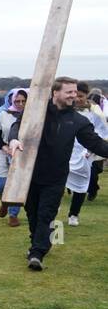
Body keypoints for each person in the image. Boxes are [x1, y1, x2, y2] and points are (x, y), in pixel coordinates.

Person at [7, 77, 108, 270]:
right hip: (30, 174)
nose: (74, 96)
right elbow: (17, 127)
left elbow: (96, 144)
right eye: (69, 92)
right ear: (55, 93)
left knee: (46, 214)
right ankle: (38, 241)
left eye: (75, 92)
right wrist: (13, 140)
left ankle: (37, 253)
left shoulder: (78, 121)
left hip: (56, 177)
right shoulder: (36, 112)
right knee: (33, 214)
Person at [66, 82, 108, 225]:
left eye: (81, 96)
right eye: (75, 95)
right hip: (65, 151)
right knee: (57, 181)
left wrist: (91, 150)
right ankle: (51, 211)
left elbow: (102, 132)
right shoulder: (64, 110)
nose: (77, 99)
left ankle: (74, 214)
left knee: (82, 183)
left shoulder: (94, 112)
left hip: (84, 153)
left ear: (86, 96)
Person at [0, 88, 27, 225]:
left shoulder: (30, 116)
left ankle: (13, 214)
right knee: (1, 185)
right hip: (4, 150)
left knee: (16, 185)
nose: (20, 104)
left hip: (21, 153)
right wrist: (4, 147)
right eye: (17, 101)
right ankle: (5, 202)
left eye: (24, 101)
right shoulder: (4, 114)